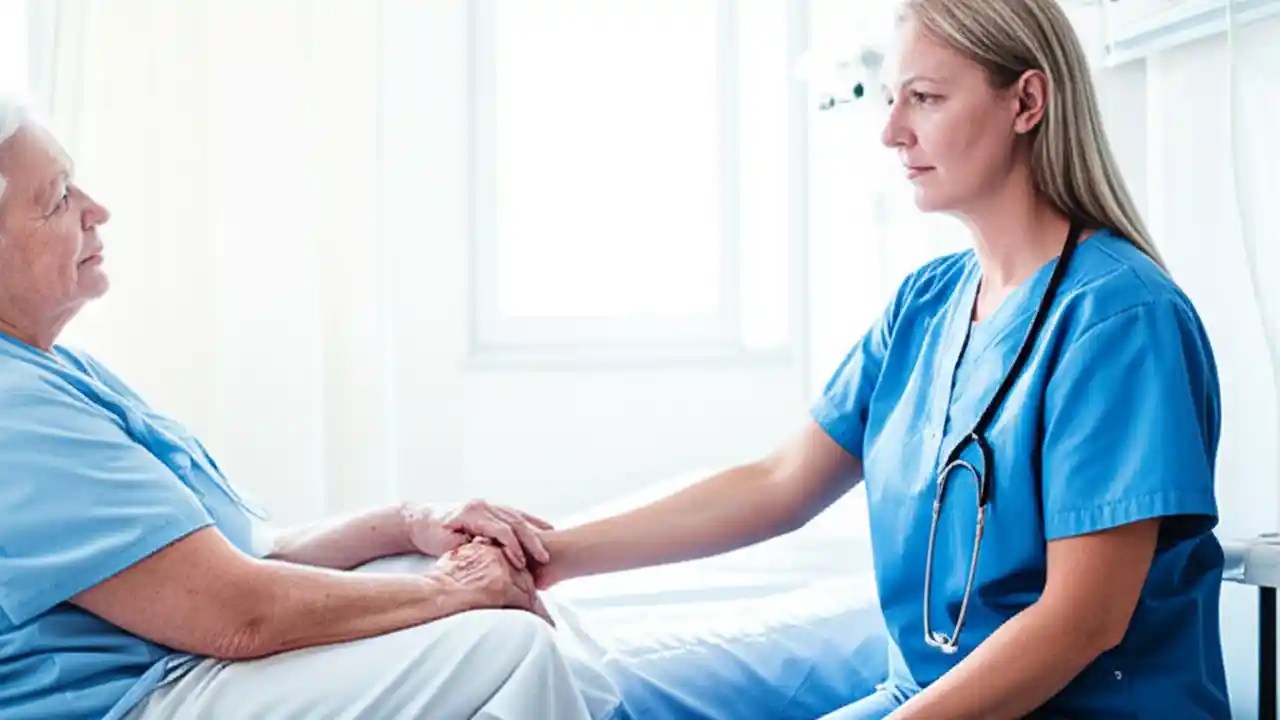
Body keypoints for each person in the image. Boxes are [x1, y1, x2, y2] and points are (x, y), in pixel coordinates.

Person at [532, 0, 1230, 717]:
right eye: (893, 98)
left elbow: (1080, 622)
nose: (892, 132)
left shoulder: (1119, 320)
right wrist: (549, 556)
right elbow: (779, 483)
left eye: (924, 99)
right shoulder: (925, 305)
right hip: (923, 699)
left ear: (1027, 101)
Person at [0, 102, 621, 720]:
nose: (94, 209)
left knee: (505, 603)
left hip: (182, 660)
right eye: (57, 199)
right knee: (506, 647)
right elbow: (238, 614)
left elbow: (253, 556)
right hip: (134, 699)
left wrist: (411, 525)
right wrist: (450, 593)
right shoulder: (14, 409)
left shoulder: (58, 370)